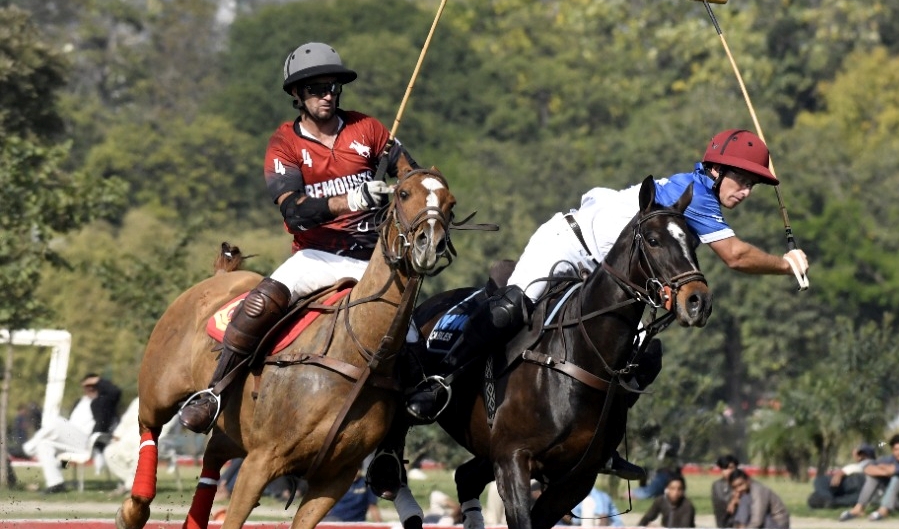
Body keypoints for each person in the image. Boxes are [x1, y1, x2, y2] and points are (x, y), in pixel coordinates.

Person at [406, 130, 810, 480]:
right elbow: (735, 256)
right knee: (509, 309)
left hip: (604, 273)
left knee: (641, 356)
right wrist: (786, 263)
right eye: (742, 179)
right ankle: (438, 381)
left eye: (753, 185)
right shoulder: (697, 195)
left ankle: (602, 442)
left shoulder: (699, 198)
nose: (746, 191)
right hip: (568, 245)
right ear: (716, 171)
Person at [179, 42, 421, 434]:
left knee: (411, 343)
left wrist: (403, 193)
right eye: (316, 88)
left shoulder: (369, 130)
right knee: (261, 302)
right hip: (316, 256)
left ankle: (397, 437)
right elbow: (292, 209)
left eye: (333, 87)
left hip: (372, 262)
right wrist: (351, 200)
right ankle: (215, 392)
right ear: (297, 94)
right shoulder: (285, 144)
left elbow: (415, 179)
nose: (327, 95)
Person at [838, 434, 899, 521]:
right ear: (892, 450)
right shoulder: (889, 459)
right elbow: (867, 469)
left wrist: (885, 469)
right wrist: (886, 471)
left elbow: (895, 471)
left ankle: (884, 510)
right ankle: (859, 508)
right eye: (896, 450)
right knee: (873, 477)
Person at [21, 388, 97, 493]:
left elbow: (113, 392)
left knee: (56, 421)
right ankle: (56, 484)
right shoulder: (81, 401)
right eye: (87, 386)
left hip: (86, 442)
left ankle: (26, 449)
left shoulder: (102, 401)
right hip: (71, 441)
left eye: (93, 386)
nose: (89, 389)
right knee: (43, 444)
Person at [809, 443, 876, 509]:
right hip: (859, 491)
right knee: (816, 497)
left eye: (858, 454)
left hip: (854, 482)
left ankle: (828, 499)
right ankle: (830, 502)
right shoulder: (873, 463)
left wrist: (840, 474)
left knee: (820, 480)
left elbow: (857, 468)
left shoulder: (868, 462)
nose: (855, 455)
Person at [725, 469, 790, 529]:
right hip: (763, 522)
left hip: (777, 524)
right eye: (735, 487)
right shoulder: (744, 493)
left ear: (747, 480)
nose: (739, 489)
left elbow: (757, 521)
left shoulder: (758, 491)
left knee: (745, 500)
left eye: (741, 484)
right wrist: (734, 504)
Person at [711, 454, 740, 529]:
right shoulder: (717, 485)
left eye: (731, 468)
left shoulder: (743, 484)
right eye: (725, 468)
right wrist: (734, 499)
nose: (728, 471)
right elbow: (722, 502)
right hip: (723, 523)